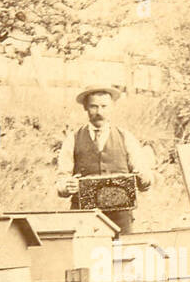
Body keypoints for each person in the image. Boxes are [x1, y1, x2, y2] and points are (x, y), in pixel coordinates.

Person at [55, 86, 154, 226]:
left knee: (122, 248)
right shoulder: (73, 138)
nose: (99, 112)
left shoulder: (126, 137)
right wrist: (67, 186)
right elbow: (61, 180)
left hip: (120, 219)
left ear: (112, 107)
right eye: (93, 107)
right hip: (84, 218)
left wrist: (143, 177)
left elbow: (146, 181)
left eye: (104, 106)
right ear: (85, 108)